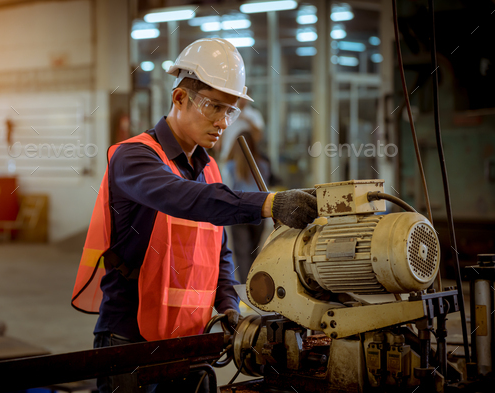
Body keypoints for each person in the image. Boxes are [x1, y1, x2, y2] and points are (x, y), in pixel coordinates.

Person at [71, 38, 318, 393]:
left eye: (230, 111)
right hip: (129, 339)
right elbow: (183, 198)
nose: (222, 121)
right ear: (180, 98)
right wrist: (270, 204)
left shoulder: (210, 170)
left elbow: (218, 254)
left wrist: (228, 304)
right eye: (213, 107)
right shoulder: (134, 159)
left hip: (191, 341)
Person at [224, 130, 271, 284]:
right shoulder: (263, 165)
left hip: (239, 212)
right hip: (260, 211)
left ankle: (247, 288)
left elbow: (225, 191)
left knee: (242, 253)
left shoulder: (230, 167)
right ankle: (257, 286)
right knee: (254, 252)